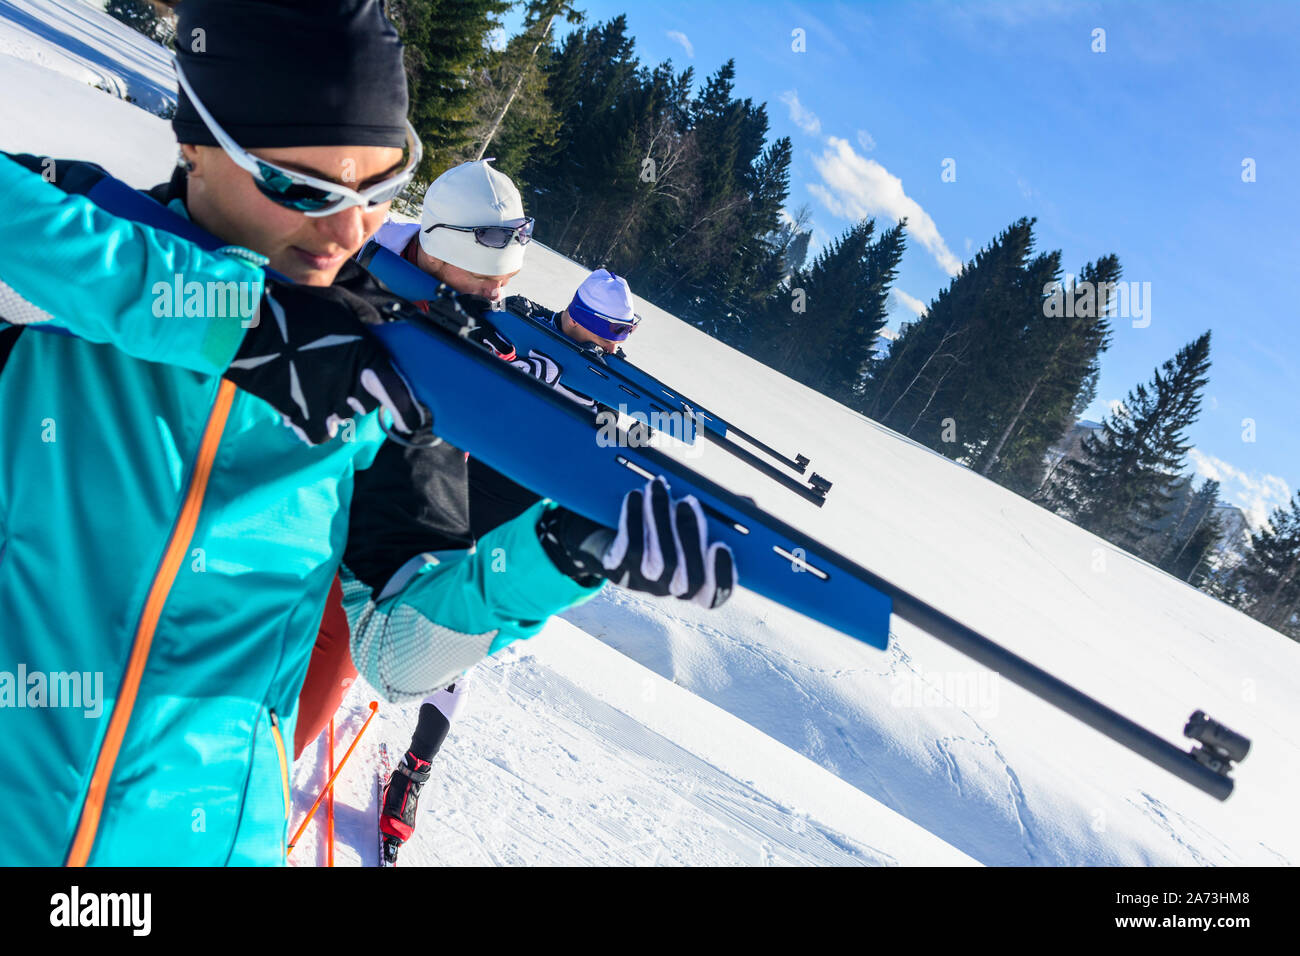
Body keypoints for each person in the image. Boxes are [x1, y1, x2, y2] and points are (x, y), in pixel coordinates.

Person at [0, 0, 733, 867]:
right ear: (194, 143)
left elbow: (397, 658)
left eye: (379, 193)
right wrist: (236, 324)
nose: (349, 233)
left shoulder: (380, 374)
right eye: (305, 189)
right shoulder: (63, 253)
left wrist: (547, 561)